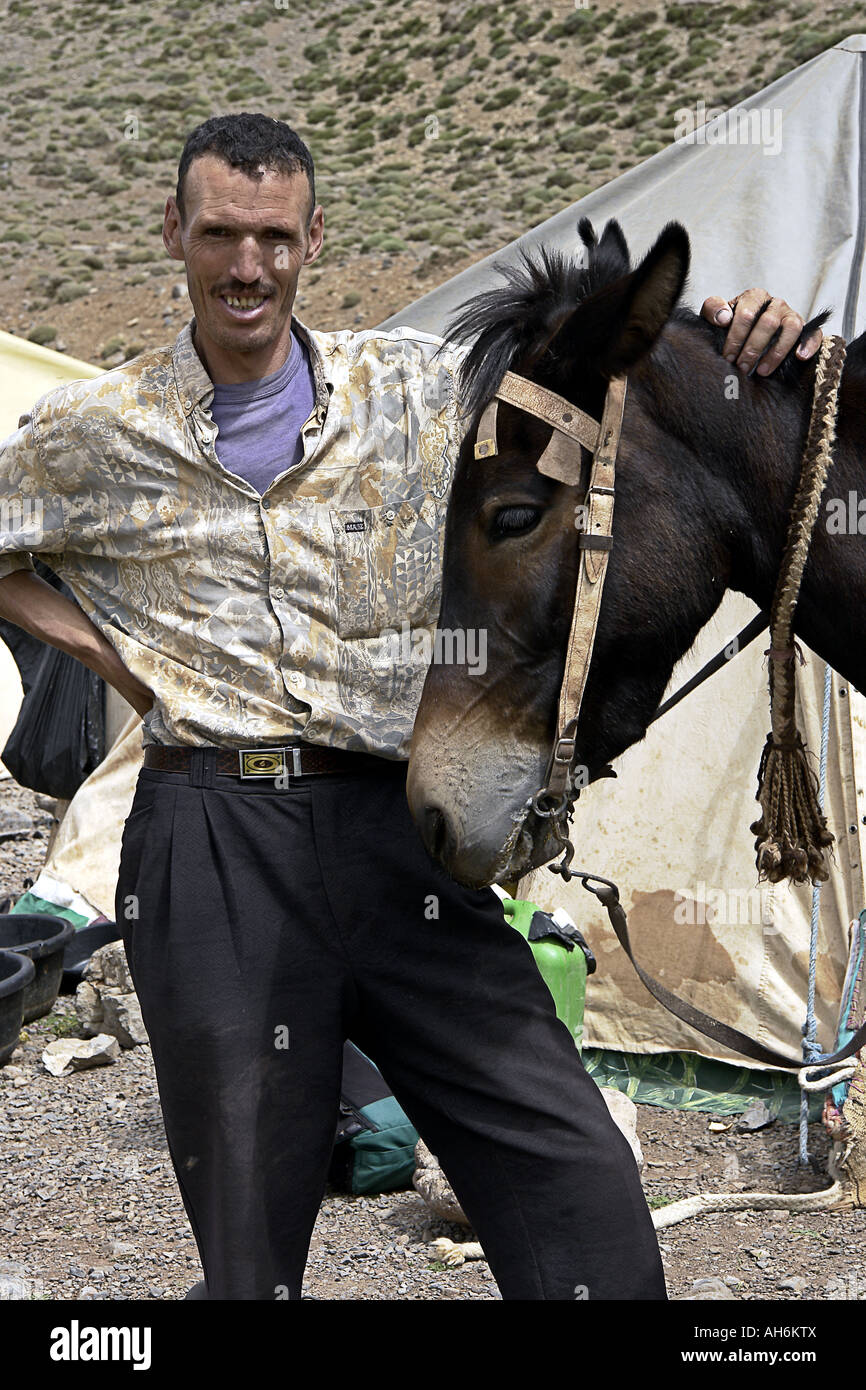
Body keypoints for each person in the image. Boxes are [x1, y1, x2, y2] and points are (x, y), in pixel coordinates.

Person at [0, 113, 822, 1301]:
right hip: (214, 843)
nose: (246, 267)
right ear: (173, 231)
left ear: (312, 239)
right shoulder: (97, 432)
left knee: (583, 1203)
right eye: (221, 233)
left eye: (273, 237)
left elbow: (600, 378)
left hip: (400, 833)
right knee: (250, 1261)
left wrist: (751, 333)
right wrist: (105, 647)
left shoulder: (422, 389)